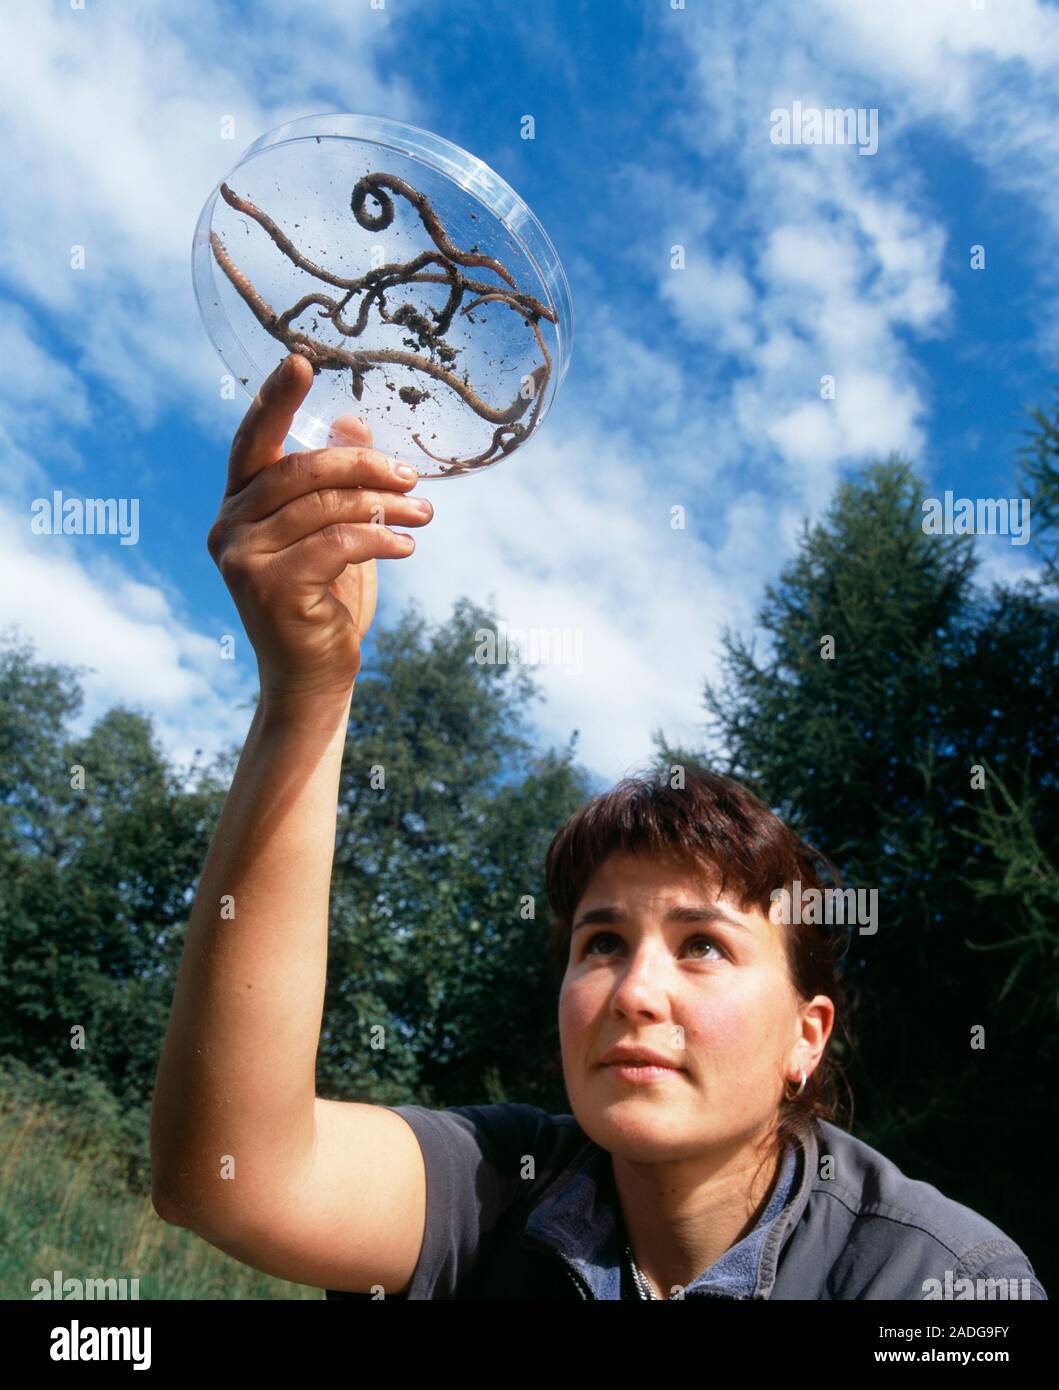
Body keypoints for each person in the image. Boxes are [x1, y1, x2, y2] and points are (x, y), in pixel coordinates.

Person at [149, 354, 1047, 1301]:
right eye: (601, 942)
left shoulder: (936, 1279)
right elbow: (229, 1180)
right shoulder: (492, 1189)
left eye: (702, 944)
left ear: (806, 1037)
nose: (633, 992)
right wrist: (307, 694)